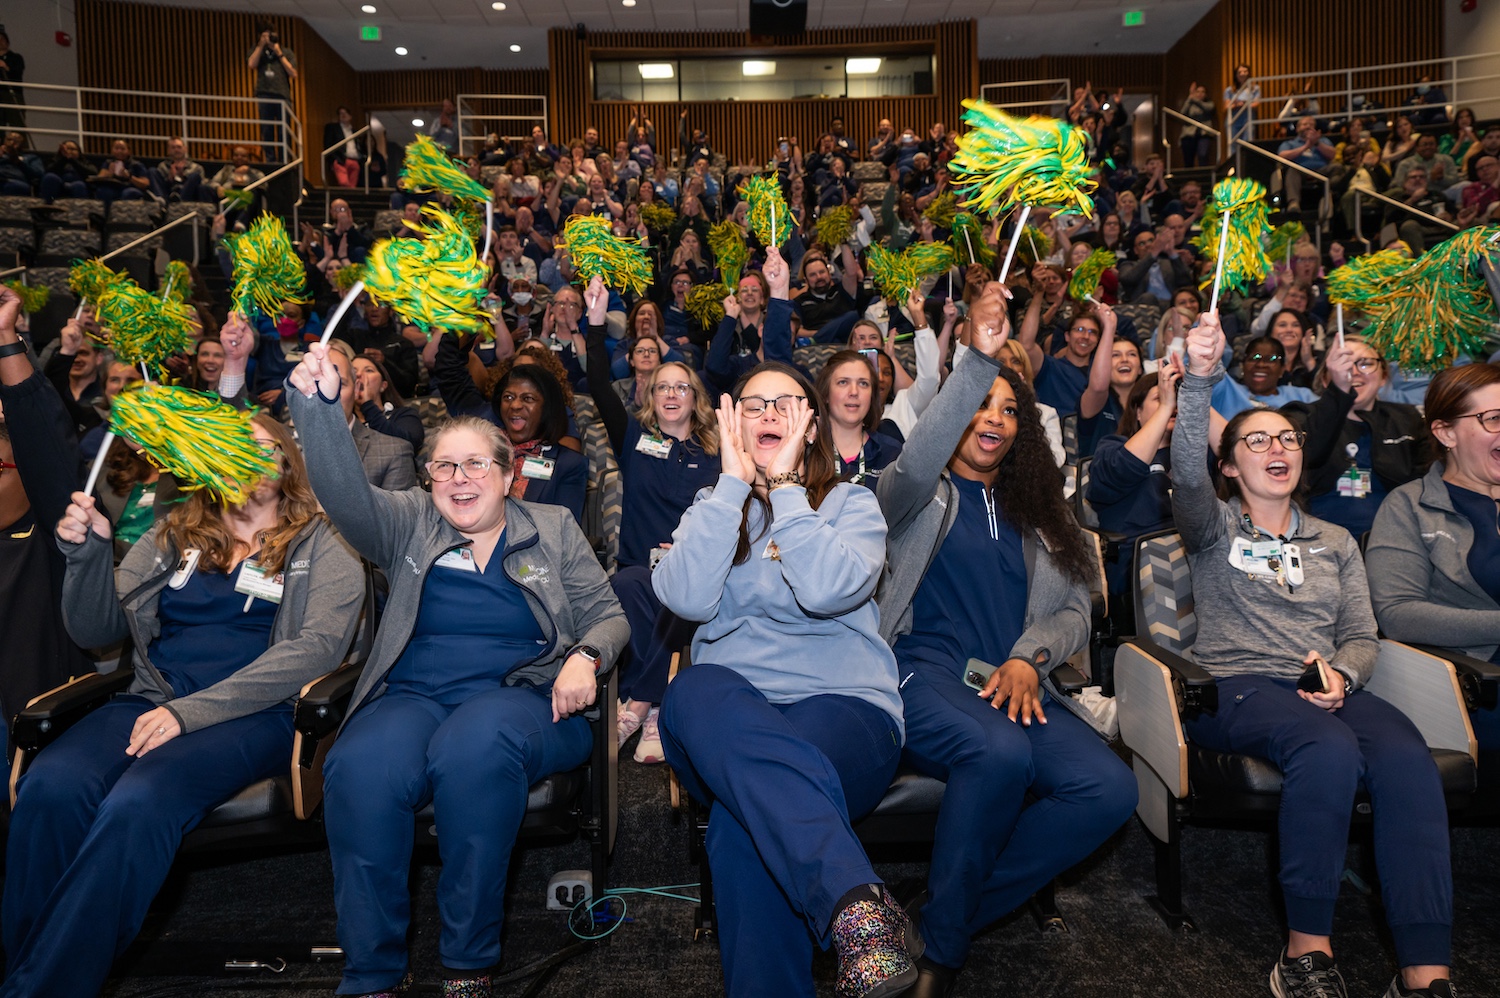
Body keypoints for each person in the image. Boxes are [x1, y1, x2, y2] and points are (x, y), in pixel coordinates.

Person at [286, 342, 627, 998]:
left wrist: (586, 655)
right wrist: (320, 409)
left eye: (475, 465)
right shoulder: (411, 523)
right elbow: (345, 494)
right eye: (444, 467)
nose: (459, 479)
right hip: (415, 695)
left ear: (508, 476)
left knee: (472, 749)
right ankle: (373, 973)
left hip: (525, 698)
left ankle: (468, 963)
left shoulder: (552, 527)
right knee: (358, 767)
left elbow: (609, 617)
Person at [3, 412, 363, 998]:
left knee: (138, 803)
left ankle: (42, 989)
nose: (255, 459)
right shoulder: (175, 531)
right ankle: (28, 970)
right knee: (51, 789)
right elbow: (97, 631)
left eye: (268, 449)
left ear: (289, 461)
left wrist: (187, 716)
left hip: (258, 715)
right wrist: (89, 556)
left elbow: (315, 650)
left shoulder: (326, 536)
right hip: (156, 698)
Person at [1172, 308, 1455, 998]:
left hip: (1327, 687)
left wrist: (1347, 675)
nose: (1279, 446)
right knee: (1325, 748)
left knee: (1405, 756)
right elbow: (1183, 474)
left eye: (1288, 438)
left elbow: (1362, 633)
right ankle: (1306, 952)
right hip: (1236, 688)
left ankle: (1424, 971)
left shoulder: (1335, 541)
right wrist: (1198, 384)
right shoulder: (1212, 527)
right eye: (1258, 439)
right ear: (1231, 467)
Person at [876, 282, 1135, 996]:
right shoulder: (909, 494)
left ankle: (937, 919)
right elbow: (917, 456)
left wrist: (1031, 657)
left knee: (1108, 788)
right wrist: (975, 365)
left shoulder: (1044, 514)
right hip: (922, 671)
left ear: (1025, 429)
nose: (993, 419)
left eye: (1009, 409)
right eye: (981, 406)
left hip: (1016, 683)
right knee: (998, 752)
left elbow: (1077, 613)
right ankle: (942, 958)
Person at [653, 358, 919, 998]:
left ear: (812, 424)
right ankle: (857, 908)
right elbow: (685, 599)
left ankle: (853, 910)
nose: (768, 412)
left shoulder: (854, 504)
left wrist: (788, 489)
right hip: (729, 718)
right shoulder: (708, 509)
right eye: (753, 403)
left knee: (742, 827)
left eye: (786, 402)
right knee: (692, 687)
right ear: (730, 424)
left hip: (844, 708)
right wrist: (729, 491)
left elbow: (829, 590)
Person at [579, 277, 721, 763]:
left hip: (696, 575)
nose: (673, 394)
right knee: (633, 585)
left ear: (695, 395)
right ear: (650, 393)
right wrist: (595, 323)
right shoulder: (634, 440)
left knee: (675, 594)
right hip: (640, 570)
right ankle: (658, 704)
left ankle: (640, 703)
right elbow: (597, 383)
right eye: (663, 387)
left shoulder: (716, 452)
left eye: (683, 386)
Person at [1366, 362, 1500, 767]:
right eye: (1493, 419)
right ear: (1445, 432)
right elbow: (1398, 615)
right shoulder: (1409, 506)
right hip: (1472, 686)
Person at [1281, 336, 1428, 538]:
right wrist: (1339, 393)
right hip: (1315, 538)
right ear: (1326, 378)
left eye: (1366, 363)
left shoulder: (1408, 419)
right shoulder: (1299, 416)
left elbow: (1425, 486)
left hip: (1393, 538)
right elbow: (1306, 455)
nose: (1355, 372)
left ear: (1384, 376)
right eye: (1344, 364)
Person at [817, 349, 903, 490]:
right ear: (826, 393)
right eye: (843, 382)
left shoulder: (891, 453)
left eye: (863, 384)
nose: (854, 392)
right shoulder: (806, 451)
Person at [1209, 335, 1318, 419]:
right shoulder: (1226, 390)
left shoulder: (1302, 396)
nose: (1261, 364)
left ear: (1282, 369)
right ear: (1243, 366)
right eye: (1254, 358)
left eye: (1271, 359)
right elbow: (1205, 362)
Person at [352, 354, 424, 453]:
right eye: (353, 371)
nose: (359, 374)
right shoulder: (343, 420)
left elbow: (407, 445)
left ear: (383, 385)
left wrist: (368, 405)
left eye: (368, 370)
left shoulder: (404, 415)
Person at [249, 26, 297, 157]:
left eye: (270, 36)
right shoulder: (258, 50)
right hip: (264, 93)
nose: (268, 39)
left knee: (284, 131)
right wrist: (260, 46)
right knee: (266, 130)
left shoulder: (286, 52)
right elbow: (251, 64)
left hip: (282, 95)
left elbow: (293, 72)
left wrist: (278, 52)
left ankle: (284, 159)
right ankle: (270, 159)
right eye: (264, 36)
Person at [323, 106, 365, 187]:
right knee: (344, 183)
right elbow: (327, 145)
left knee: (352, 186)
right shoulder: (333, 128)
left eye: (345, 113)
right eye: (341, 113)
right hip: (340, 160)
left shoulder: (355, 132)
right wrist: (333, 160)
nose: (343, 115)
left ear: (350, 116)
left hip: (355, 160)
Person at [1179, 82, 1215, 167]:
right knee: (1188, 158)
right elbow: (1182, 114)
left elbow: (1208, 109)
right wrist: (1189, 98)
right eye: (1197, 91)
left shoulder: (1209, 103)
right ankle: (1189, 178)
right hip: (1189, 134)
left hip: (1204, 134)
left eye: (1202, 92)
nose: (1200, 94)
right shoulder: (1189, 104)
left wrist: (1193, 98)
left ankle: (1203, 177)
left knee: (1203, 155)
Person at [1224, 65, 1260, 143]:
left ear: (1249, 73)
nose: (1242, 74)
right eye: (1239, 72)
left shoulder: (1255, 88)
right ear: (1236, 75)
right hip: (1234, 120)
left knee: (1247, 143)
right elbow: (1227, 106)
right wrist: (1237, 104)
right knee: (1233, 145)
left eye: (1245, 71)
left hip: (1248, 119)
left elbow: (1256, 104)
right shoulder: (1229, 90)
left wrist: (1245, 104)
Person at [0, 30, 24, 130]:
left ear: (7, 42)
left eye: (2, 39)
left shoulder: (16, 57)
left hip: (12, 94)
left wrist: (5, 67)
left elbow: (18, 72)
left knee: (17, 124)